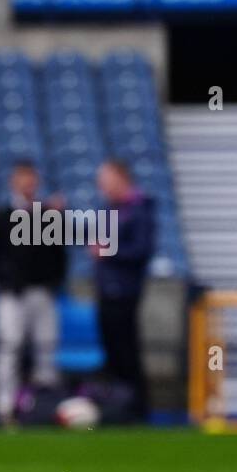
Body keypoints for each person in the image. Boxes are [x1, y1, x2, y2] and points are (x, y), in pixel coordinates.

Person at [0, 161, 66, 426]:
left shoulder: (47, 214)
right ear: (14, 182)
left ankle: (44, 405)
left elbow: (58, 253)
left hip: (42, 292)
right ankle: (6, 407)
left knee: (46, 347)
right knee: (10, 348)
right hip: (13, 295)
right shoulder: (3, 215)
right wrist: (7, 283)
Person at [93, 158, 154, 421]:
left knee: (127, 350)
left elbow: (141, 250)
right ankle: (120, 405)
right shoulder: (112, 209)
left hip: (125, 292)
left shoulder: (139, 210)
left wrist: (108, 252)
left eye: (105, 180)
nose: (101, 186)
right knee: (113, 351)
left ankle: (136, 406)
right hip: (107, 291)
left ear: (120, 178)